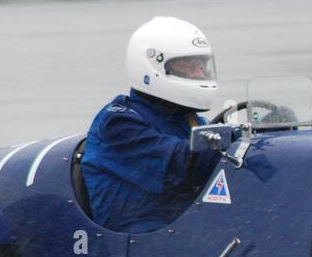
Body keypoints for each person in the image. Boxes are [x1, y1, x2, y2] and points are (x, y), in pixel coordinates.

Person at [81, 16, 222, 232]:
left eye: (202, 66)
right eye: (189, 66)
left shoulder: (190, 120)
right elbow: (181, 166)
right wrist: (228, 142)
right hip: (139, 249)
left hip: (190, 239)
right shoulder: (118, 123)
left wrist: (268, 136)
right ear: (152, 67)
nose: (200, 74)